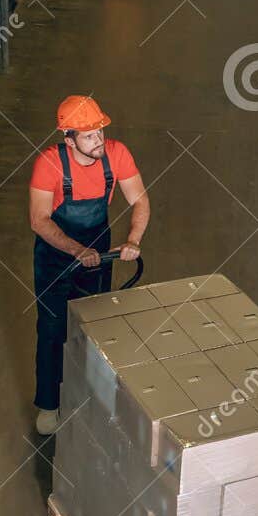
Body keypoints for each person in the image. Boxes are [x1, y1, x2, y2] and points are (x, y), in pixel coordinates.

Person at [29, 95, 149, 436]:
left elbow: (140, 200)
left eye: (100, 132)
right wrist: (76, 250)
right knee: (52, 329)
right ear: (69, 140)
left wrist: (133, 241)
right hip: (55, 255)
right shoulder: (49, 163)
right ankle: (49, 405)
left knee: (93, 326)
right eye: (89, 135)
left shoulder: (116, 153)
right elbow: (39, 220)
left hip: (97, 249)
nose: (98, 140)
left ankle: (87, 396)